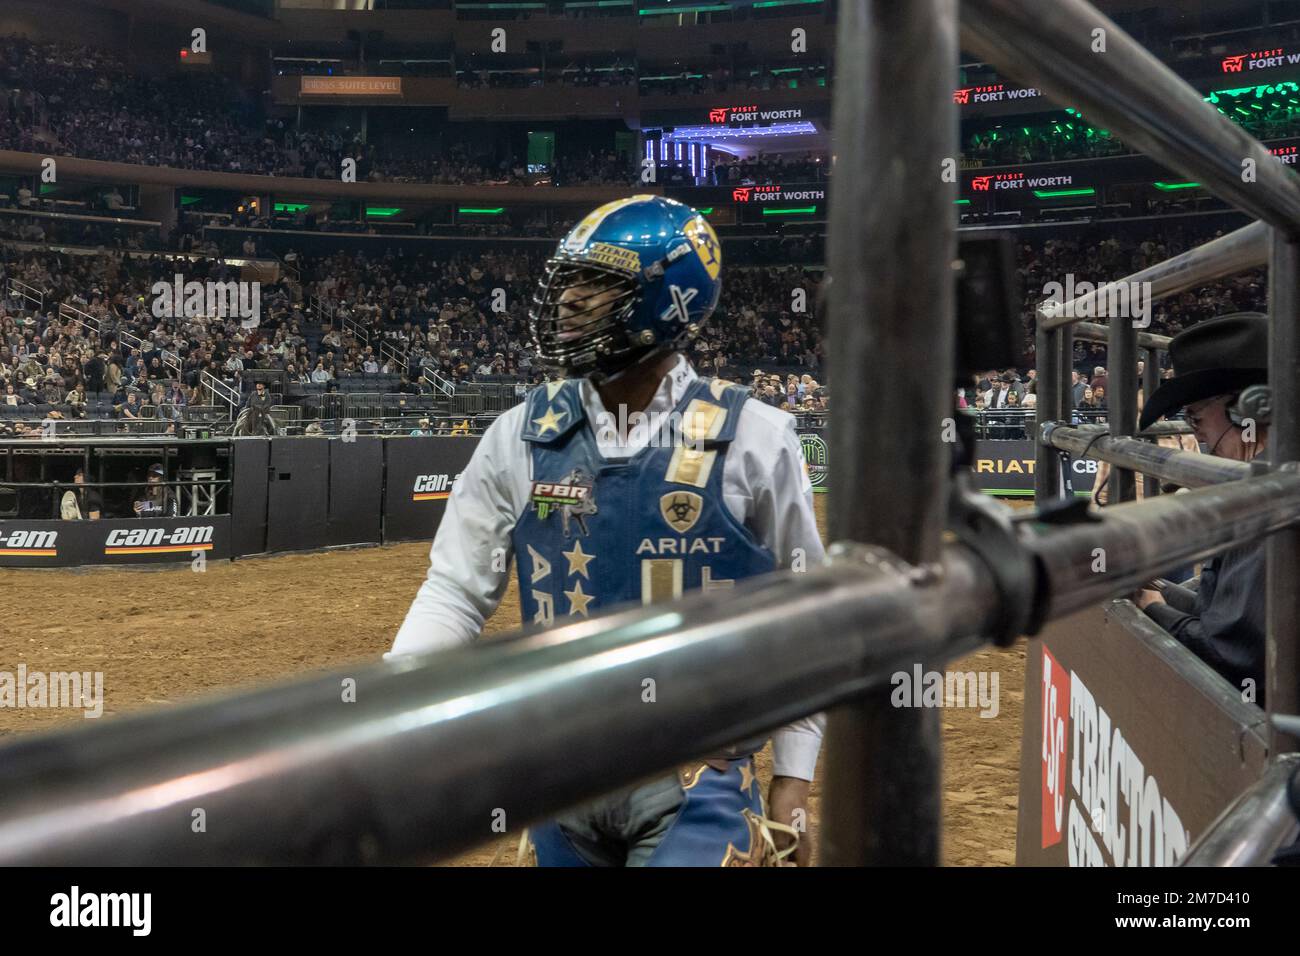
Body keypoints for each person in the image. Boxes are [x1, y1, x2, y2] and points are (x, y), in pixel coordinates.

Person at [390, 196, 823, 866]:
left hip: (695, 776)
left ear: (669, 301)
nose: (568, 299)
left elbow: (807, 610)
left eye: (595, 282)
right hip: (558, 775)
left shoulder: (758, 439)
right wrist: (392, 724)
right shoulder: (514, 435)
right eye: (568, 280)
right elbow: (454, 592)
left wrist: (793, 777)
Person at [1134, 313, 1269, 704]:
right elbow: (1228, 614)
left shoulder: (1265, 494)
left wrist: (1152, 608)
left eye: (1195, 417)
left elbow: (1234, 654)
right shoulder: (1266, 477)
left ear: (1244, 411)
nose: (1198, 434)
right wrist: (1159, 589)